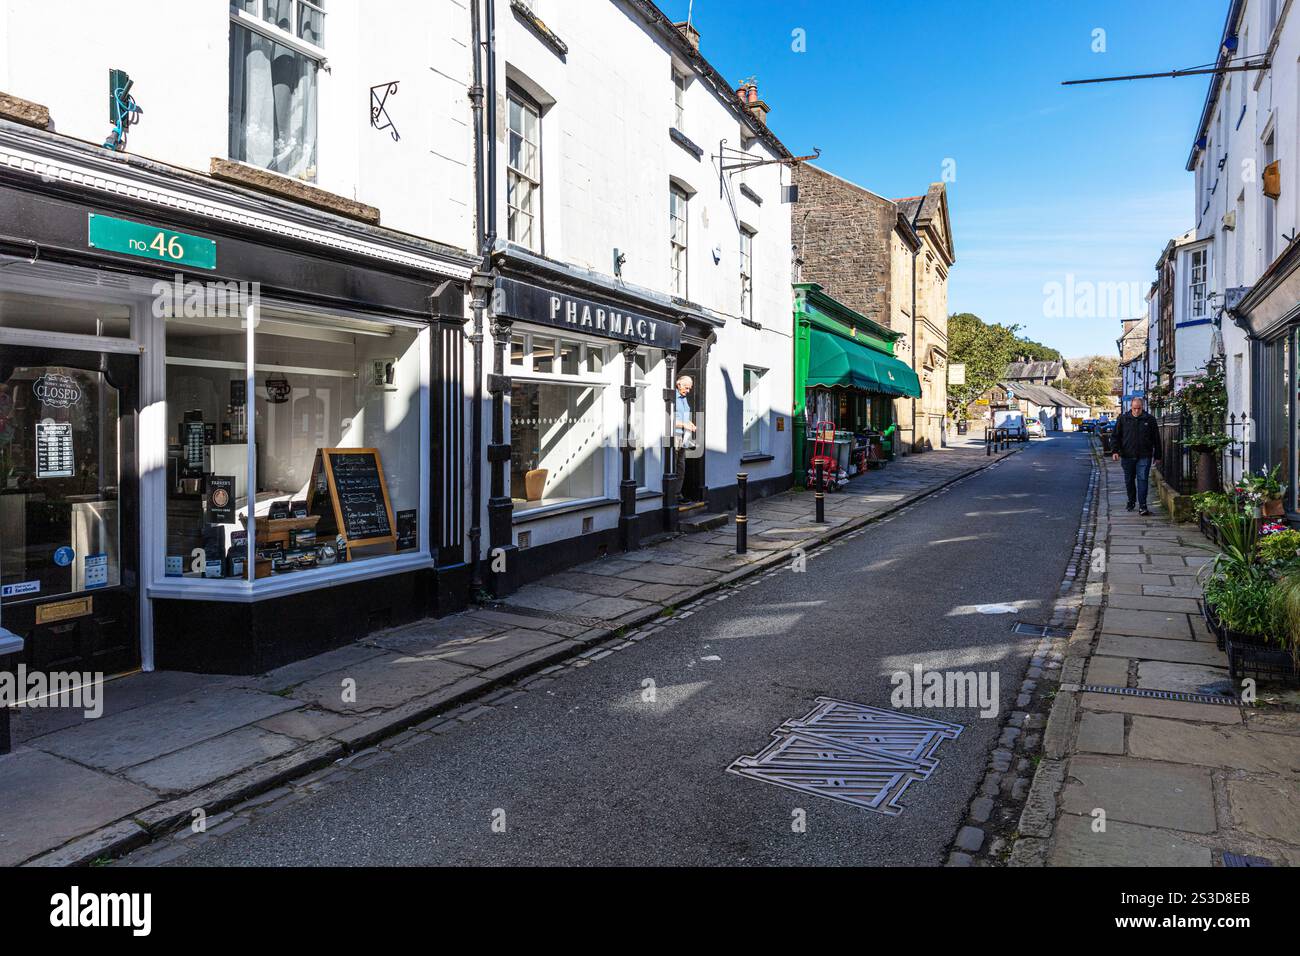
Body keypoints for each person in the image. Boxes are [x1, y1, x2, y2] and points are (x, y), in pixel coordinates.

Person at [1111, 396, 1162, 515]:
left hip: (1144, 455)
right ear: (1131, 407)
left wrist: (1158, 455)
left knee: (1143, 479)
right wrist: (1115, 451)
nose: (1137, 411)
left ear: (1142, 407)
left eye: (1139, 408)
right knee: (1129, 480)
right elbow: (1115, 436)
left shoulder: (1150, 419)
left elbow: (1156, 439)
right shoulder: (1123, 419)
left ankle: (1143, 506)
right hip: (1127, 455)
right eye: (1134, 408)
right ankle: (1131, 500)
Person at [673, 374, 697, 500]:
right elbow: (668, 420)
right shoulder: (673, 398)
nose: (688, 391)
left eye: (689, 388)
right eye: (686, 388)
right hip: (675, 436)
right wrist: (684, 424)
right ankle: (672, 495)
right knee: (673, 466)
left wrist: (690, 423)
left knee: (681, 467)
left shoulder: (683, 398)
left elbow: (684, 417)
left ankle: (678, 494)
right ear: (678, 385)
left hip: (684, 436)